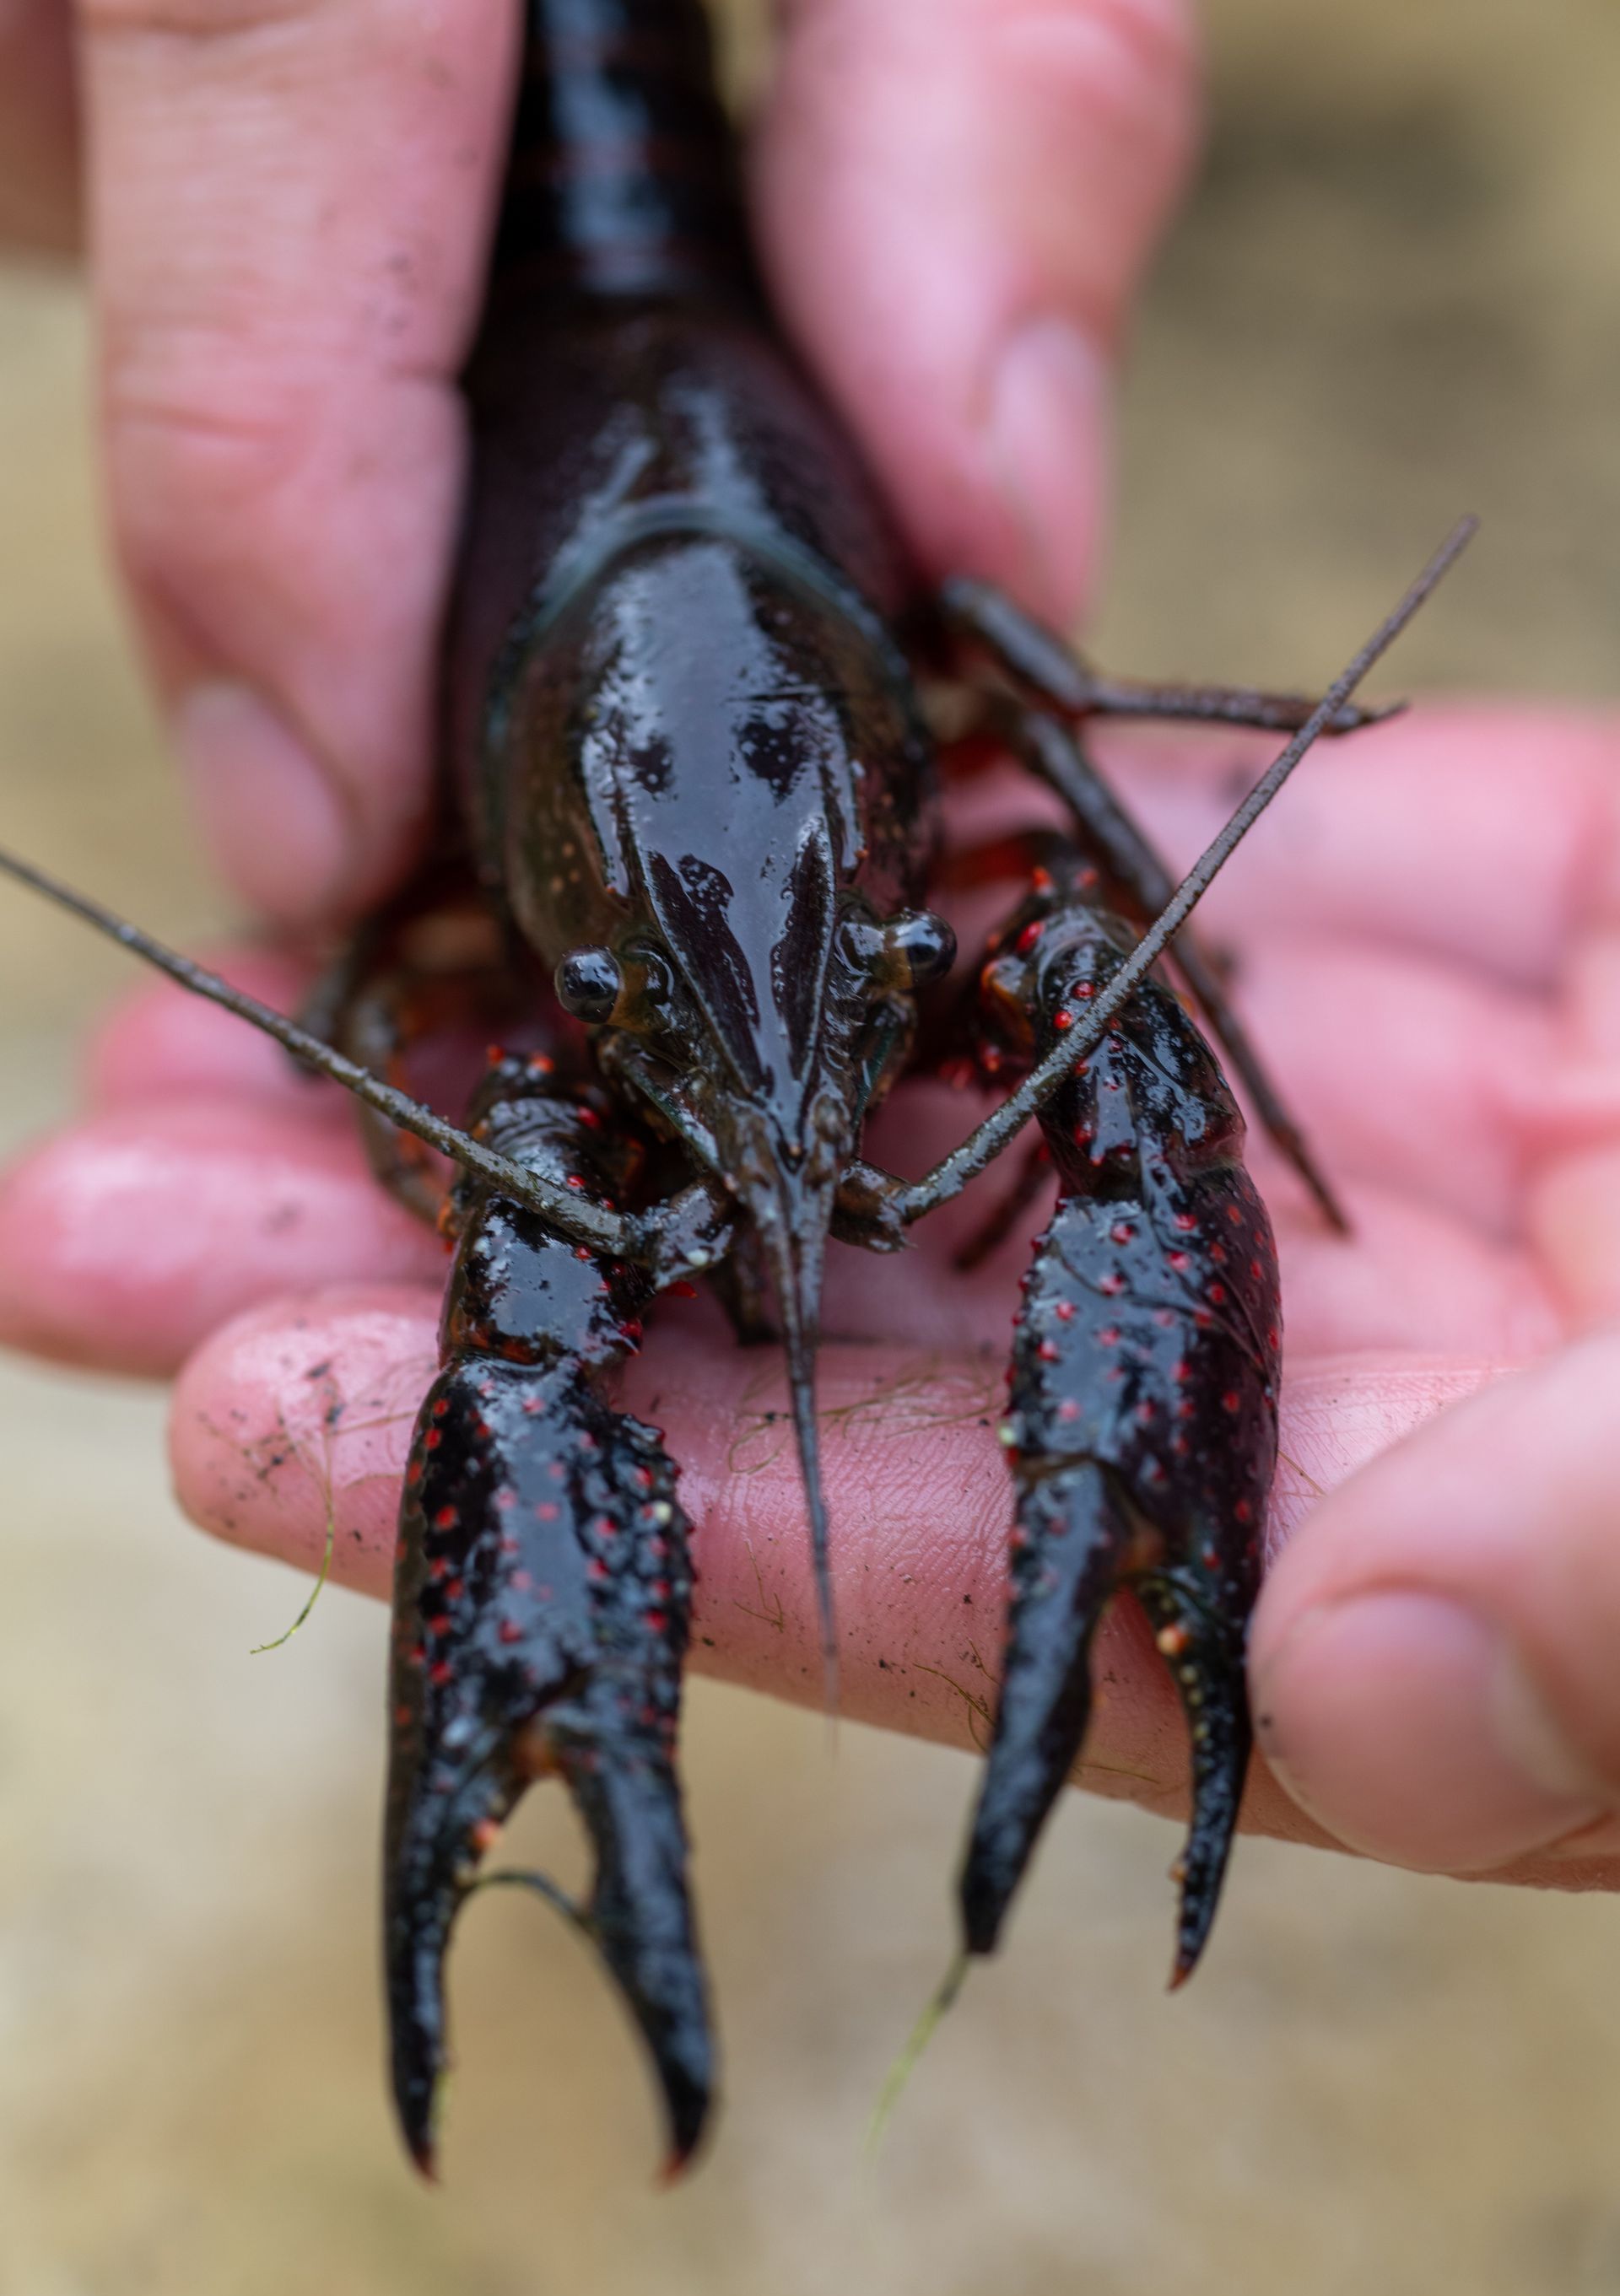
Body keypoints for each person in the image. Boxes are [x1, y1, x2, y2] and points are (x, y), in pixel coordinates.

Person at [2, 0, 1618, 1892]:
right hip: (561, 301)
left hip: (691, 301)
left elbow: (1091, 998)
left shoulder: (963, 912)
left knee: (1090, 987)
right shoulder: (561, 997)